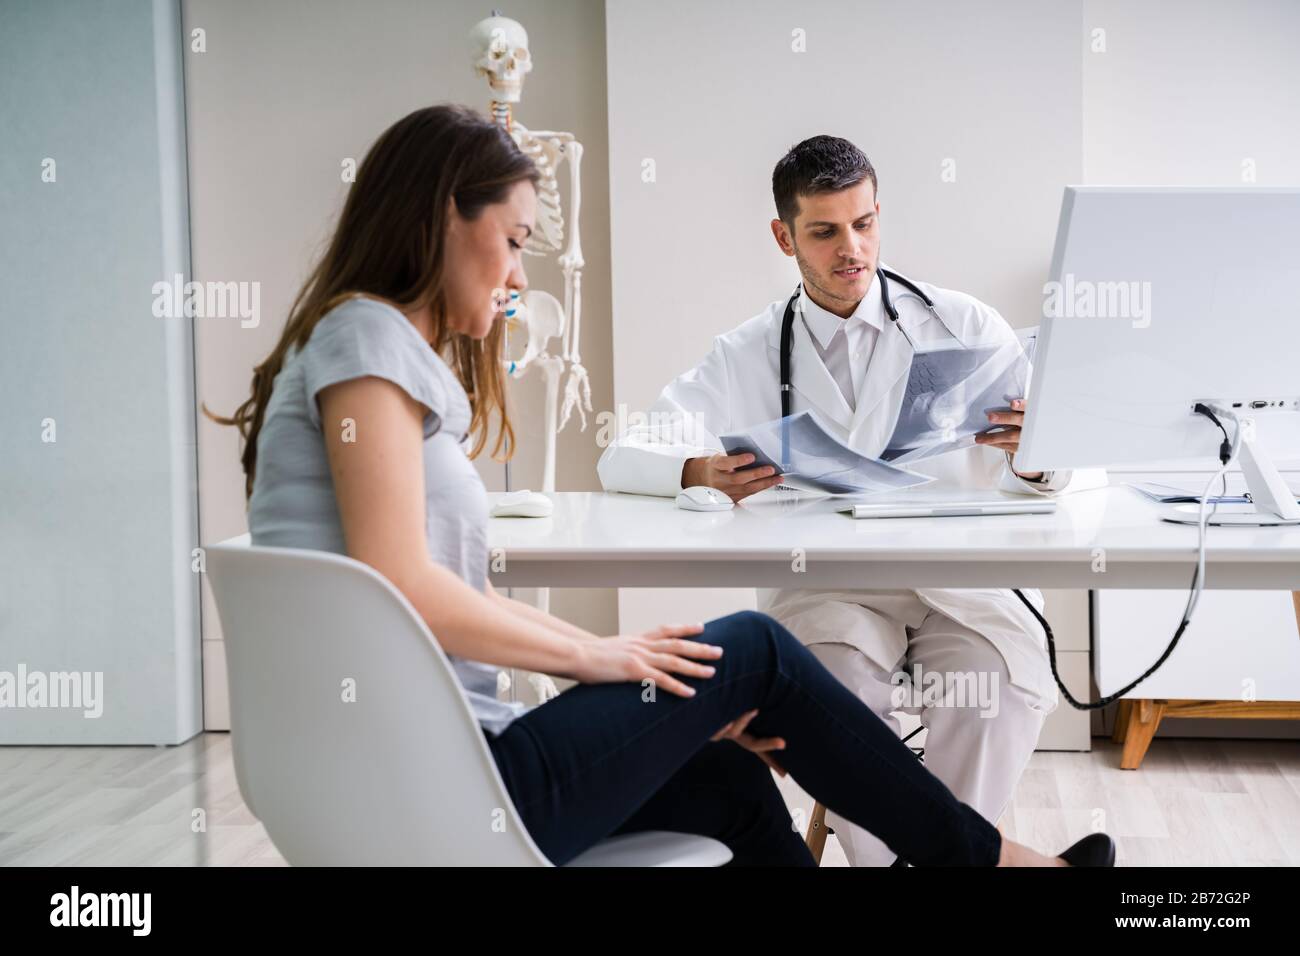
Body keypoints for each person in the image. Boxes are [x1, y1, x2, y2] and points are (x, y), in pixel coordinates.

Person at [210, 104, 1113, 867]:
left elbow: (446, 591)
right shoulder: (367, 343)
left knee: (730, 780)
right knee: (757, 649)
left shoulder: (358, 346)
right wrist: (602, 657)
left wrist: (624, 665)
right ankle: (996, 864)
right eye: (516, 240)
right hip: (448, 783)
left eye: (864, 224)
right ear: (446, 219)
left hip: (443, 766)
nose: (522, 273)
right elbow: (409, 588)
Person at [597, 134, 1109, 866]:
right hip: (830, 585)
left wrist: (1035, 455)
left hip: (958, 583)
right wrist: (699, 470)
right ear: (784, 236)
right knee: (833, 691)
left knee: (989, 687)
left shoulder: (964, 324)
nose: (853, 249)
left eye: (864, 224)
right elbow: (621, 454)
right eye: (825, 231)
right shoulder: (744, 353)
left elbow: (1072, 471)